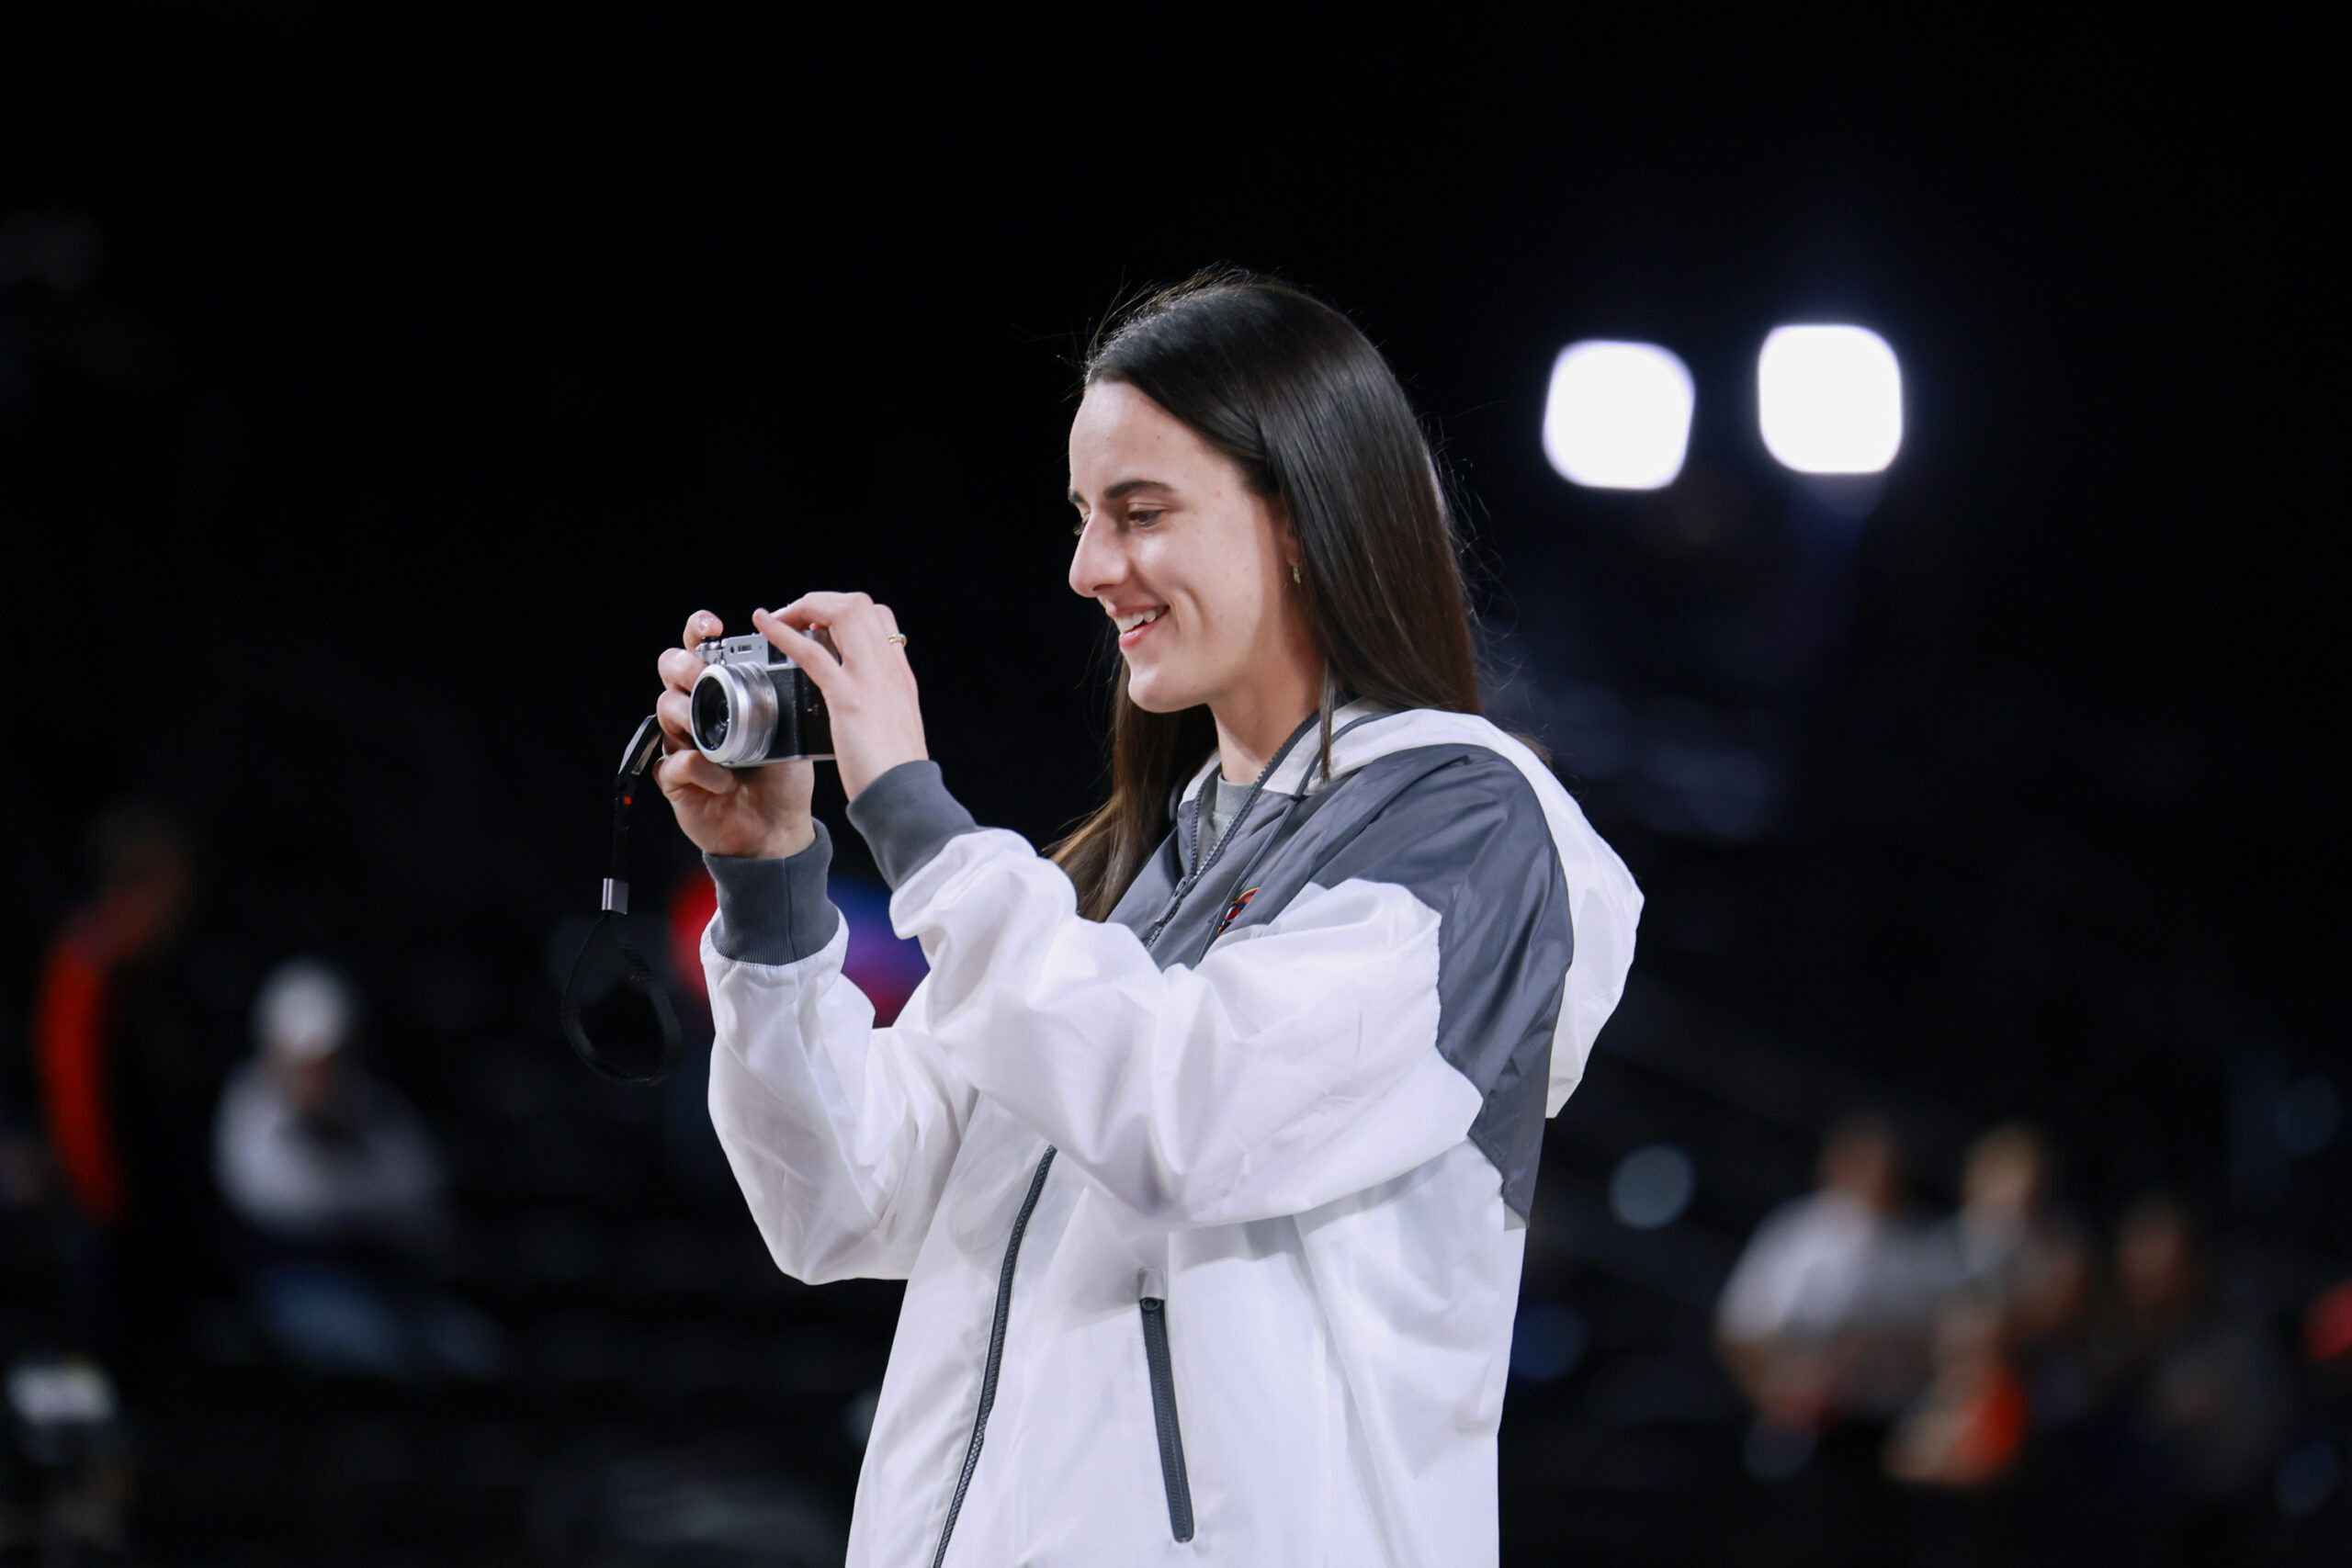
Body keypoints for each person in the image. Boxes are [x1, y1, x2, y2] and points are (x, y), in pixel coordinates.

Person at [650, 266, 1645, 1565]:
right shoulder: (1123, 886)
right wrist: (773, 874)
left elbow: (1186, 1109)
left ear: (1300, 516)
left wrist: (904, 798)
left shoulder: (1471, 823)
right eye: (1081, 517)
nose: (1087, 567)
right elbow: (844, 1194)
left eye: (1140, 513)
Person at [212, 958, 503, 1383]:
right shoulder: (248, 1101)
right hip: (292, 1285)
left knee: (477, 1353)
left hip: (386, 1282)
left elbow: (422, 1193)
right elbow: (278, 1198)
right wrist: (365, 1197)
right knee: (373, 1344)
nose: (317, 1076)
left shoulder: (363, 1100)